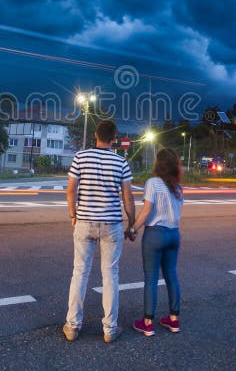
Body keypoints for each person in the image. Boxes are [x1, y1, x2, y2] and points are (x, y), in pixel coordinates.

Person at [63, 119, 136, 343]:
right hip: (111, 224)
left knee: (80, 273)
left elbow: (70, 191)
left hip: (84, 221)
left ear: (95, 135)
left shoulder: (80, 157)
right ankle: (109, 328)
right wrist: (131, 224)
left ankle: (73, 326)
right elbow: (128, 197)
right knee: (110, 275)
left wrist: (74, 216)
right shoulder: (120, 162)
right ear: (114, 139)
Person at [129, 147, 184, 337]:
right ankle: (174, 320)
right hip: (174, 234)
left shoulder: (153, 183)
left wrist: (132, 229)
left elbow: (146, 211)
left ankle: (148, 323)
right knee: (171, 275)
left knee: (151, 279)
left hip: (155, 234)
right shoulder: (177, 186)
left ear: (158, 164)